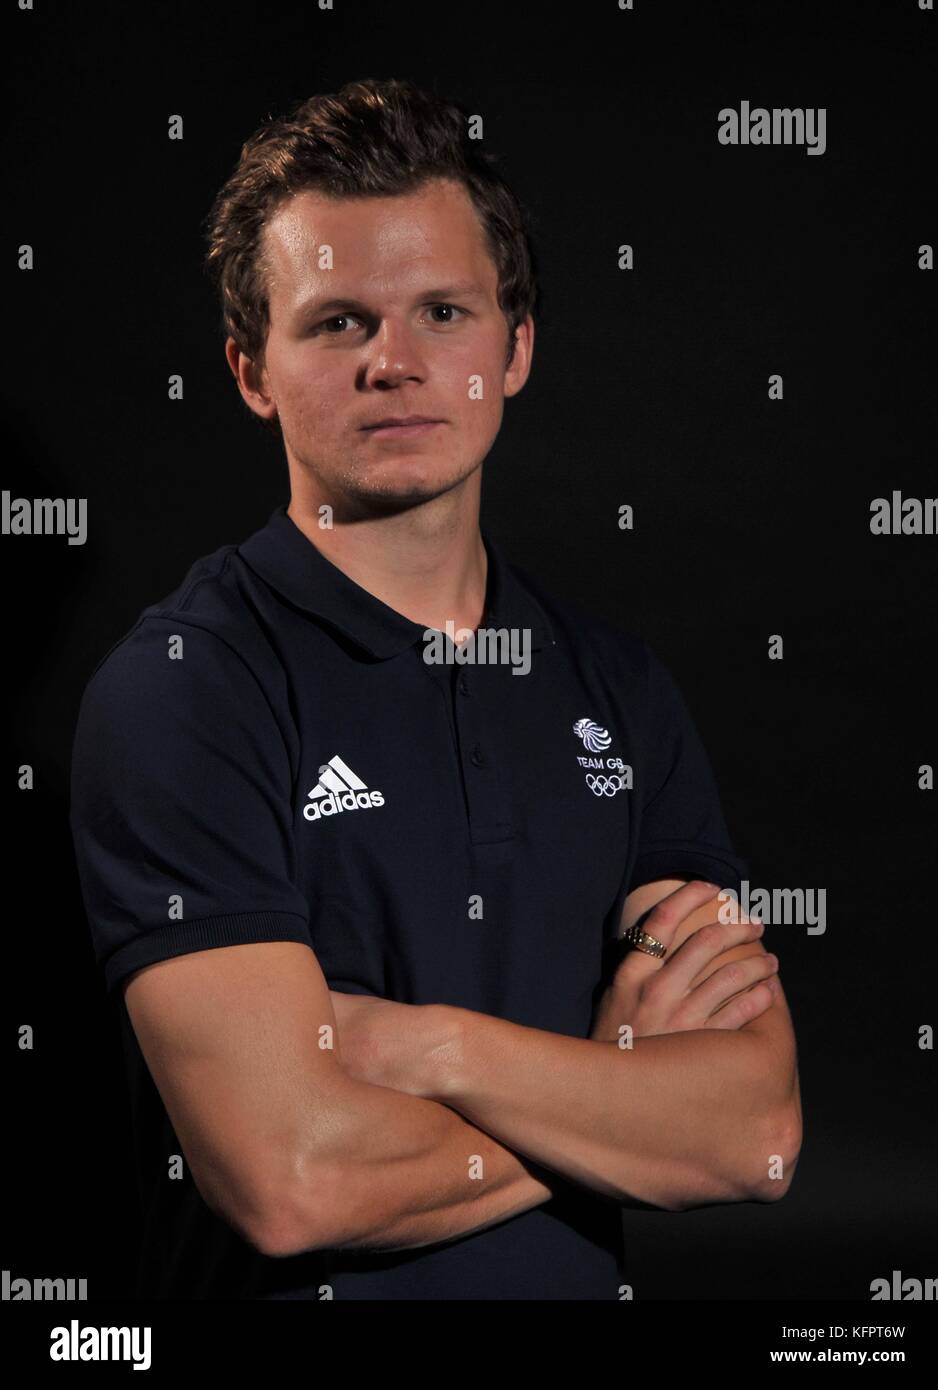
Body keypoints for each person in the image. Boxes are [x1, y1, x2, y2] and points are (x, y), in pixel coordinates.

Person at [69, 77, 802, 1300]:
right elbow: (292, 1181)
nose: (395, 365)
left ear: (514, 349)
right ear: (251, 368)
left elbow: (756, 1129)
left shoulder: (618, 688)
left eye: (443, 312)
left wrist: (426, 1046)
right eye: (339, 322)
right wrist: (614, 1092)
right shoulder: (183, 694)